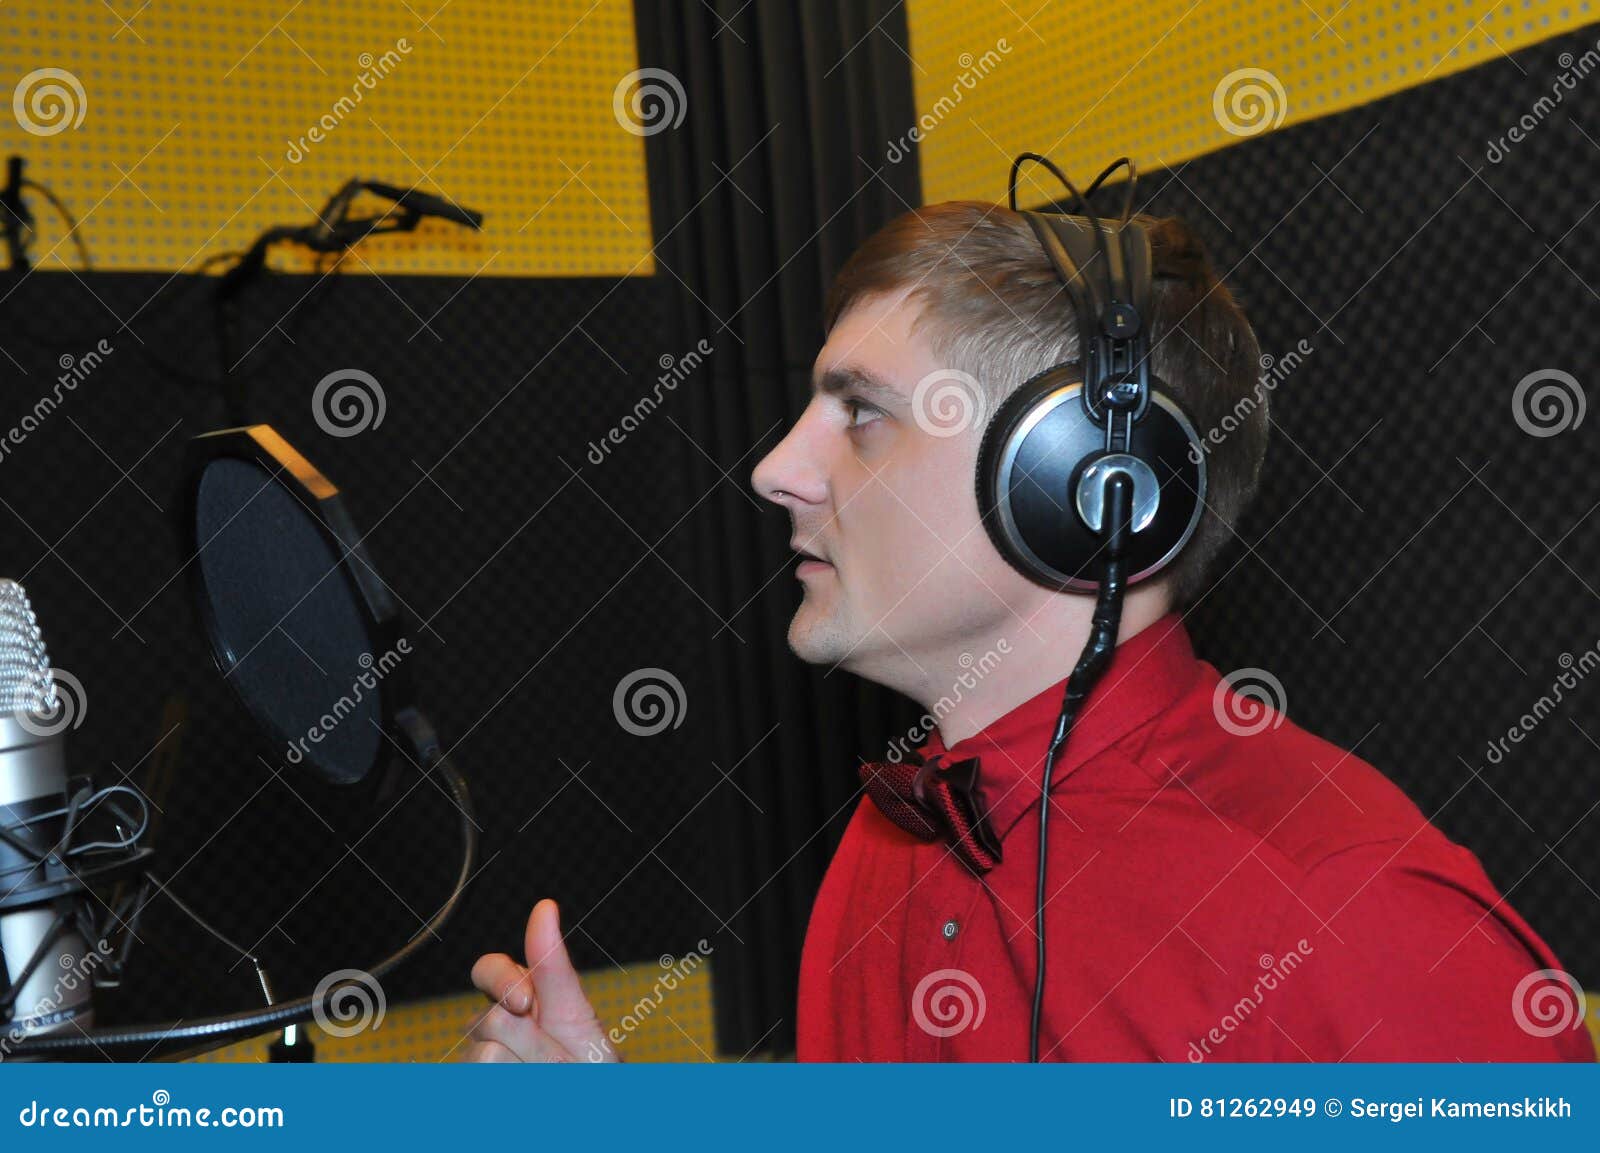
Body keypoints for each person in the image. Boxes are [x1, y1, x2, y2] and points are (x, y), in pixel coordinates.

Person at [464, 201, 1594, 1063]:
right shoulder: (894, 838)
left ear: (1083, 485)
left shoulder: (1363, 933)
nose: (774, 470)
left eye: (861, 415)